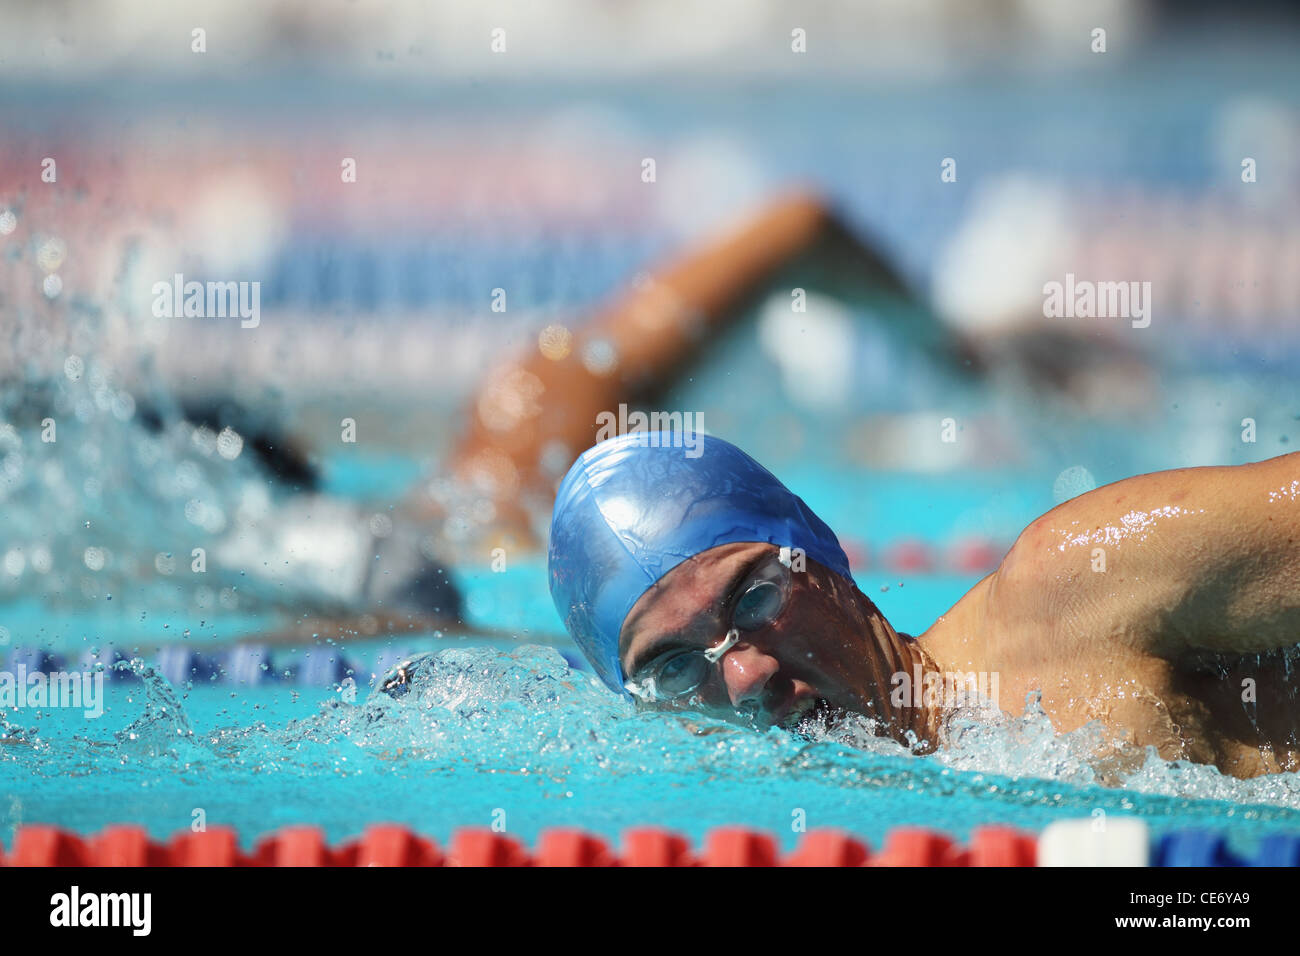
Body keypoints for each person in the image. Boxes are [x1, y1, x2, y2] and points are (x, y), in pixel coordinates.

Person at [548, 430, 1300, 780]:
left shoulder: (1079, 589)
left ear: (820, 548)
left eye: (755, 597)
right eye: (675, 666)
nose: (744, 679)